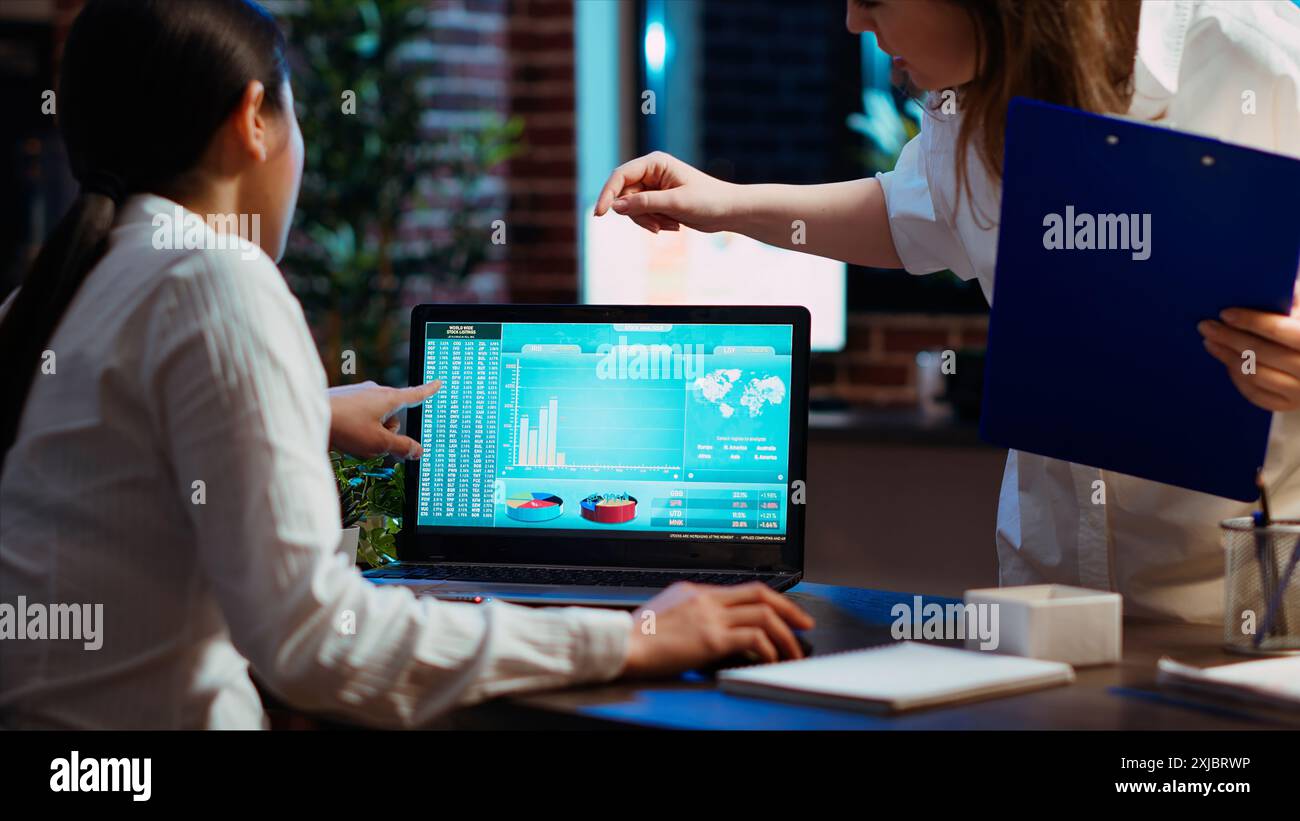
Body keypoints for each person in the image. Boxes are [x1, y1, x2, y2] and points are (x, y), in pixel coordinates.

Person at [0, 0, 813, 730]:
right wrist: (632, 635)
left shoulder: (58, 290)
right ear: (255, 117)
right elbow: (314, 639)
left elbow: (112, 465)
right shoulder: (213, 277)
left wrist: (305, 409)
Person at [596, 0, 1300, 624]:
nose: (853, 22)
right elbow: (907, 217)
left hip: (1237, 606)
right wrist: (722, 203)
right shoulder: (973, 100)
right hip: (1048, 603)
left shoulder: (1258, 55)